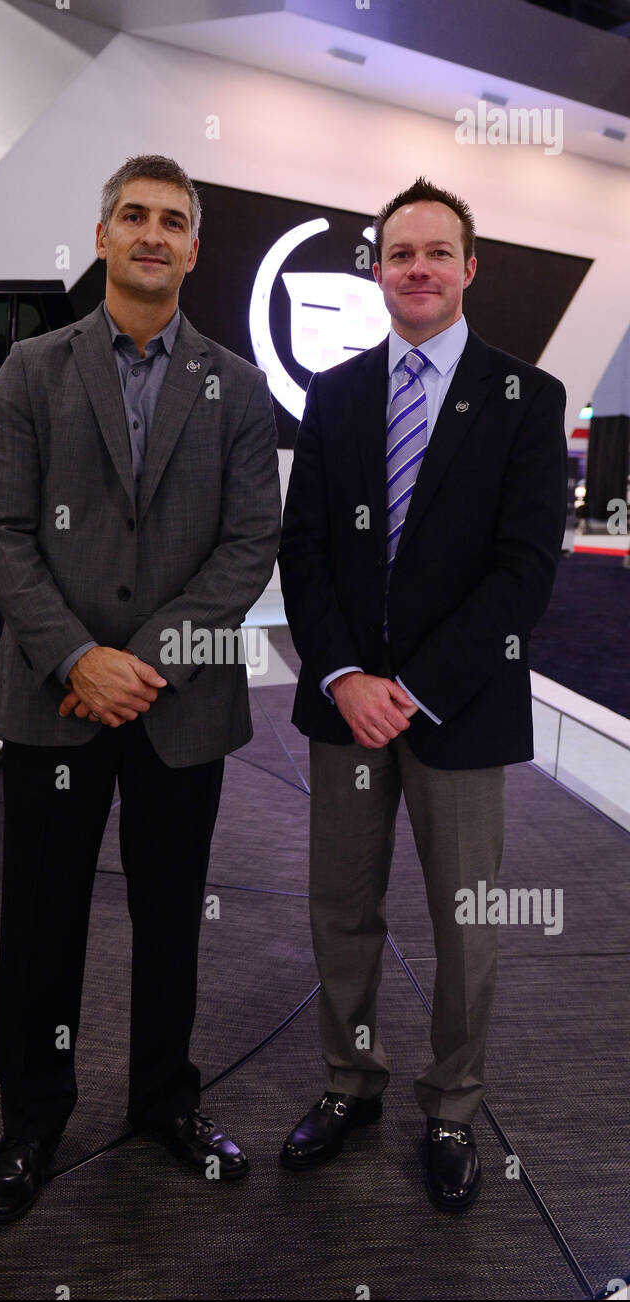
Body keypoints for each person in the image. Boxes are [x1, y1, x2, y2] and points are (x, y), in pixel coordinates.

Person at [0, 154, 281, 1222]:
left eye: (174, 221)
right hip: (53, 699)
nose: (153, 233)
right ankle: (32, 1117)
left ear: (195, 250)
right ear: (102, 235)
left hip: (178, 705)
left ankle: (163, 1099)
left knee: (171, 918)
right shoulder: (32, 371)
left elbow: (249, 545)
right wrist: (77, 658)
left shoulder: (237, 387)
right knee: (41, 921)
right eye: (134, 216)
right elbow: (2, 536)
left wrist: (139, 661)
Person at [277, 176, 567, 1211]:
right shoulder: (336, 393)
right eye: (400, 253)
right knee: (342, 911)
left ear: (468, 267)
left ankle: (451, 1107)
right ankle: (351, 1081)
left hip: (459, 708)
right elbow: (302, 549)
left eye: (437, 252)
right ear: (376, 269)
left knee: (464, 925)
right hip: (344, 707)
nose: (417, 269)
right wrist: (348, 676)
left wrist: (412, 688)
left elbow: (524, 570)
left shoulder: (527, 400)